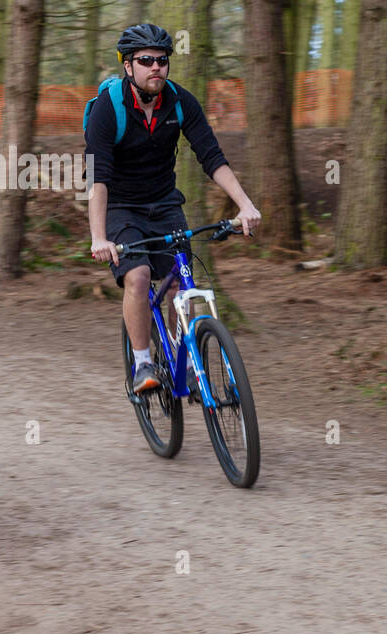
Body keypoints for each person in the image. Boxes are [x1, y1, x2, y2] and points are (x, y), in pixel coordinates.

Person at [86, 23, 261, 393]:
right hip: (120, 207)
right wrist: (99, 236)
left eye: (162, 60)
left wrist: (245, 205)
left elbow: (211, 157)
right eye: (145, 60)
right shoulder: (108, 108)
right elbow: (97, 178)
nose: (155, 67)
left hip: (165, 204)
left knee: (182, 284)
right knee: (138, 278)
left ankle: (185, 360)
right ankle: (143, 363)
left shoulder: (181, 102)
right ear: (128, 66)